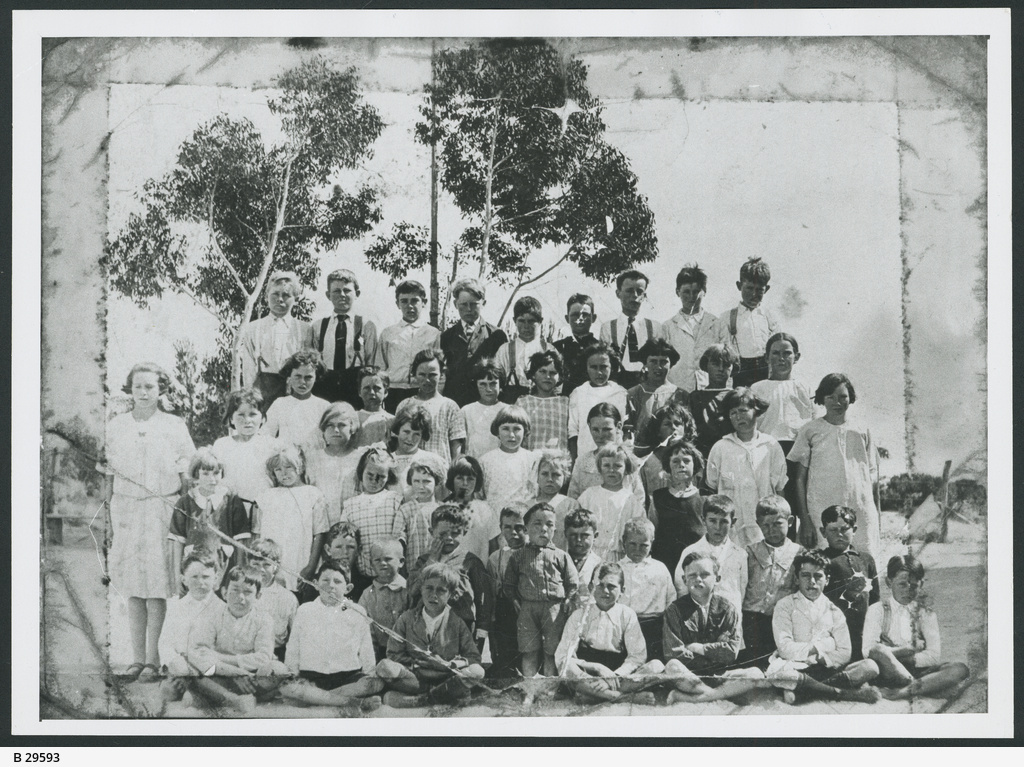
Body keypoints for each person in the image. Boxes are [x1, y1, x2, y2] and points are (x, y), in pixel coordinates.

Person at [102, 362, 195, 680]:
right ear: (130, 388)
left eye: (150, 386)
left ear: (161, 390)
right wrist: (108, 519)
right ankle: (136, 659)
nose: (143, 392)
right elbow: (108, 475)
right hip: (127, 511)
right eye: (138, 386)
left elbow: (187, 476)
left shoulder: (174, 425)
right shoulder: (117, 425)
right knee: (133, 588)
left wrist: (185, 518)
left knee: (156, 587)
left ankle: (153, 661)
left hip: (162, 510)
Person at [767, 551, 881, 704]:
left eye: (818, 576)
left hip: (826, 668)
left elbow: (845, 652)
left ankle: (804, 691)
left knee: (870, 667)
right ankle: (840, 693)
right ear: (796, 579)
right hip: (794, 667)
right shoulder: (785, 605)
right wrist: (825, 645)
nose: (812, 581)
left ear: (827, 580)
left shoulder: (834, 610)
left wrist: (821, 658)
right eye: (805, 575)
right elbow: (785, 649)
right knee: (779, 674)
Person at [789, 373, 881, 560]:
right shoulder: (811, 430)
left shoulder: (862, 430)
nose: (837, 402)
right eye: (830, 397)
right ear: (822, 398)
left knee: (862, 559)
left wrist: (876, 516)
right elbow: (799, 478)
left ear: (850, 397)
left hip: (860, 509)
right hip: (821, 509)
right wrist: (805, 519)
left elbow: (872, 475)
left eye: (842, 397)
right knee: (821, 561)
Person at [375, 562, 485, 708]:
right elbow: (393, 654)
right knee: (384, 666)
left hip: (446, 679)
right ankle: (436, 697)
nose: (433, 595)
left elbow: (473, 657)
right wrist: (416, 663)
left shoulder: (457, 622)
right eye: (429, 588)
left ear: (451, 594)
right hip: (415, 679)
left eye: (441, 590)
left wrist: (450, 664)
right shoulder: (406, 619)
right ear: (421, 589)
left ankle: (423, 700)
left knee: (477, 671)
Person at [184, 566, 290, 714]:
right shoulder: (211, 615)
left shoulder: (264, 619)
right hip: (219, 672)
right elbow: (200, 652)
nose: (240, 597)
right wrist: (234, 672)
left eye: (248, 592)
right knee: (192, 670)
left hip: (250, 676)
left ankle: (217, 696)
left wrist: (230, 663)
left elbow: (263, 657)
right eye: (235, 590)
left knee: (278, 670)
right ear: (224, 592)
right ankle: (234, 699)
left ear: (258, 595)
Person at [280, 559, 383, 710]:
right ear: (316, 584)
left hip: (347, 678)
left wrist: (369, 673)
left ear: (348, 588)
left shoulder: (357, 611)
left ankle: (316, 699)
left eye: (337, 581)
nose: (331, 585)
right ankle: (351, 702)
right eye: (325, 580)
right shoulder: (305, 610)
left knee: (374, 683)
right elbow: (293, 648)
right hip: (313, 677)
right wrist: (293, 675)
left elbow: (366, 649)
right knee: (287, 687)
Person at [555, 562, 664, 704]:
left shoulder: (627, 615)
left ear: (622, 590)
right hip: (588, 675)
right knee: (566, 667)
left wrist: (613, 677)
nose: (605, 591)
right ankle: (620, 697)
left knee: (656, 665)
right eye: (599, 585)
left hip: (618, 676)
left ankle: (595, 695)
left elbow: (637, 656)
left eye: (611, 586)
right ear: (590, 587)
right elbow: (564, 655)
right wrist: (596, 667)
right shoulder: (579, 615)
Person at [662, 553, 765, 704]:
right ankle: (723, 694)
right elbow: (674, 653)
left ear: (717, 578)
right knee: (672, 666)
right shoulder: (674, 610)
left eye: (704, 574)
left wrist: (699, 648)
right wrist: (714, 653)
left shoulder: (728, 608)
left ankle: (697, 696)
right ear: (684, 580)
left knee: (756, 674)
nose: (698, 579)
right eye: (692, 575)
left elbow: (731, 652)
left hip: (720, 673)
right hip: (689, 674)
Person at [863, 555, 970, 699]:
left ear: (921, 584)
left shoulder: (926, 614)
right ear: (889, 582)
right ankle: (924, 687)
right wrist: (904, 651)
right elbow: (868, 651)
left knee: (960, 669)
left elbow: (933, 656)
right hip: (887, 670)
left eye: (913, 586)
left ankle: (903, 691)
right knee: (878, 650)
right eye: (902, 584)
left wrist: (907, 658)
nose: (907, 591)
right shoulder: (877, 610)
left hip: (917, 670)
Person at [502, 502, 580, 679]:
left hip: (554, 610)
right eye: (537, 524)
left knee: (551, 651)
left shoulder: (561, 556)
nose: (544, 529)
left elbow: (572, 582)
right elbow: (509, 583)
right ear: (526, 528)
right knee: (529, 650)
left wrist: (568, 599)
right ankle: (530, 686)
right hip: (527, 610)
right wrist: (514, 600)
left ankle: (550, 686)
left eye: (549, 524)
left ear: (555, 529)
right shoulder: (518, 556)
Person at [750, 333, 816, 541]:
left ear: (796, 357)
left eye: (787, 353)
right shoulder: (757, 388)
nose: (781, 358)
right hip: (766, 453)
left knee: (794, 509)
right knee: (770, 506)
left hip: (796, 454)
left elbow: (812, 423)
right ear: (766, 357)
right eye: (775, 353)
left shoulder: (804, 388)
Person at [705, 387, 788, 547]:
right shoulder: (721, 447)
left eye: (743, 410)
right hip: (732, 527)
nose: (738, 417)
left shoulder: (770, 446)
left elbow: (780, 489)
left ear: (756, 411)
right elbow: (712, 487)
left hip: (764, 525)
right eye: (733, 413)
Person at [168, 448, 252, 593]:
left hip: (224, 566)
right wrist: (177, 576)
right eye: (205, 474)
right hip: (193, 567)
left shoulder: (231, 500)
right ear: (196, 474)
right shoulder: (185, 502)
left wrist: (238, 573)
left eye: (216, 473)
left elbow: (241, 541)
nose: (212, 479)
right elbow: (177, 542)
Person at [408, 505, 491, 646]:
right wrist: (432, 560)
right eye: (442, 534)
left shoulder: (470, 562)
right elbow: (412, 590)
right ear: (431, 532)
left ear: (464, 531)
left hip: (460, 628)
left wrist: (482, 629)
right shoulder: (423, 561)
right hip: (427, 628)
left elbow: (483, 598)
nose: (449, 538)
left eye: (455, 533)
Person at [253, 445, 329, 597]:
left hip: (300, 562)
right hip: (271, 565)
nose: (284, 473)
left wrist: (311, 566)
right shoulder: (266, 496)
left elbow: (320, 534)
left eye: (288, 467)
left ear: (299, 467)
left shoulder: (312, 494)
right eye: (278, 469)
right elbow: (257, 533)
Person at [741, 496, 803, 667]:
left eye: (777, 524)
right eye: (765, 525)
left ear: (790, 522)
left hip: (782, 619)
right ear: (758, 524)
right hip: (752, 619)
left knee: (778, 662)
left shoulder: (799, 553)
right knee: (752, 662)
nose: (771, 530)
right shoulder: (750, 552)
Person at [239, 271, 315, 407]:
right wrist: (250, 399)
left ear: (295, 299)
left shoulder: (304, 329)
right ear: (266, 296)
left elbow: (308, 368)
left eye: (286, 295)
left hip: (294, 392)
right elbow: (248, 370)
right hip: (263, 393)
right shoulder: (253, 328)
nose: (280, 299)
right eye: (275, 294)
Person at [340, 447, 406, 599]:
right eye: (369, 475)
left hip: (392, 575)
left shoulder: (395, 499)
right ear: (361, 472)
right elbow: (347, 542)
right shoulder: (350, 505)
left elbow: (401, 535)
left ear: (388, 477)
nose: (374, 481)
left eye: (381, 477)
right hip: (363, 576)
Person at [158, 550, 221, 702]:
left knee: (211, 679)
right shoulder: (176, 607)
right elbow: (165, 643)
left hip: (209, 666)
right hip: (182, 666)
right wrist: (174, 662)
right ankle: (196, 691)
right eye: (194, 577)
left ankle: (198, 692)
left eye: (206, 577)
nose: (200, 582)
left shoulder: (221, 608)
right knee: (168, 692)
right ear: (184, 579)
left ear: (216, 578)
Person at [819, 505, 879, 661]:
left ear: (854, 530)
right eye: (833, 530)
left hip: (863, 631)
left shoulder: (866, 559)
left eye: (844, 529)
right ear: (823, 532)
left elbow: (875, 600)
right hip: (836, 633)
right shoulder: (821, 561)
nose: (839, 534)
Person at [673, 495, 748, 619]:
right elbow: (681, 588)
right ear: (703, 520)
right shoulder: (691, 551)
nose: (718, 527)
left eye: (724, 521)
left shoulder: (740, 554)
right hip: (698, 618)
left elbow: (742, 589)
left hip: (730, 618)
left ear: (733, 522)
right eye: (712, 521)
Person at [311, 269, 379, 406]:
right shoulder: (318, 326)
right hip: (326, 386)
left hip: (355, 385)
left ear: (357, 294)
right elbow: (314, 360)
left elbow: (371, 361)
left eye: (347, 290)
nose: (342, 295)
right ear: (328, 295)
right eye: (336, 291)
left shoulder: (366, 325)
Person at [211, 388, 278, 522]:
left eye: (253, 414)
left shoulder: (272, 445)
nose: (247, 420)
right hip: (230, 512)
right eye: (241, 415)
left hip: (264, 511)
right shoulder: (222, 445)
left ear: (262, 418)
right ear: (231, 418)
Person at [712, 257, 780, 388]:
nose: (754, 294)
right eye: (749, 288)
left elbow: (777, 347)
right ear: (739, 286)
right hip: (740, 375)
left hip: (766, 373)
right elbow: (723, 353)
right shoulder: (727, 317)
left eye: (759, 289)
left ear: (766, 289)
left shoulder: (770, 317)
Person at [439, 277, 508, 407]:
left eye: (474, 304)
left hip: (485, 402)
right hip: (454, 401)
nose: (469, 309)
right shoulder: (446, 337)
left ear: (483, 303)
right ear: (455, 304)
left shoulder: (496, 335)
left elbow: (502, 374)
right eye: (464, 304)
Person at [378, 279, 441, 413]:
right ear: (397, 304)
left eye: (414, 301)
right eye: (404, 301)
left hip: (423, 390)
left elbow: (439, 368)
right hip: (394, 392)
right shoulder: (388, 333)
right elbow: (380, 367)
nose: (409, 306)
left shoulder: (433, 333)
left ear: (423, 302)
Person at [395, 349, 467, 465]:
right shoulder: (405, 405)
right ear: (414, 374)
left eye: (432, 375)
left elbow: (456, 449)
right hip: (409, 470)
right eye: (422, 374)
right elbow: (396, 443)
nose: (427, 380)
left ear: (441, 374)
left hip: (439, 469)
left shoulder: (450, 407)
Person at [577, 443, 647, 562]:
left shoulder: (631, 500)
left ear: (626, 469)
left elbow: (639, 531)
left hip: (620, 557)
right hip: (590, 555)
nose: (611, 470)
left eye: (617, 466)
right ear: (600, 468)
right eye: (606, 465)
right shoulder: (589, 495)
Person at [567, 403, 645, 507]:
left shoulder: (628, 459)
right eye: (595, 429)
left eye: (606, 429)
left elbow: (639, 500)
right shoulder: (582, 462)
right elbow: (572, 500)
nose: (600, 435)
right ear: (589, 427)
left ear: (618, 427)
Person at [617, 518, 674, 662]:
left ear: (651, 543)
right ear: (624, 542)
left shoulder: (659, 568)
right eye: (632, 544)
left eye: (644, 545)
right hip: (624, 626)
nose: (637, 549)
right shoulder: (617, 568)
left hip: (653, 627)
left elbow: (671, 599)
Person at [648, 438, 706, 575]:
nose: (681, 465)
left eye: (686, 461)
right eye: (675, 461)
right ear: (668, 466)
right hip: (665, 564)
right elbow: (651, 532)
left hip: (696, 566)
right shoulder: (658, 498)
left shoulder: (704, 498)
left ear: (695, 465)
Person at [303, 402, 366, 526]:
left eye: (342, 425)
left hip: (354, 524)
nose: (336, 430)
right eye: (330, 425)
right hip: (320, 525)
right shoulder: (312, 458)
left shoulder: (361, 458)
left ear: (352, 428)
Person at [598, 269, 664, 390]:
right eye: (629, 291)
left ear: (644, 296)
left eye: (639, 291)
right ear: (618, 293)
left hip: (647, 387)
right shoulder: (607, 328)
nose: (635, 296)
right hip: (617, 387)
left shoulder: (655, 327)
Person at [661, 264, 718, 397]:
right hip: (677, 390)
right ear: (678, 292)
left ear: (704, 291)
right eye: (686, 292)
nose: (692, 296)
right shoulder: (668, 326)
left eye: (696, 291)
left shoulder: (716, 323)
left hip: (709, 390)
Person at [486, 504, 528, 679]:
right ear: (501, 528)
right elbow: (492, 594)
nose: (514, 533)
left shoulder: (535, 553)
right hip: (505, 615)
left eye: (519, 527)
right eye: (508, 527)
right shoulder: (496, 558)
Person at [567, 341, 628, 460]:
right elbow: (573, 431)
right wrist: (575, 461)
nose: (599, 372)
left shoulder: (621, 393)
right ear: (586, 368)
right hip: (586, 456)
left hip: (613, 458)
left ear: (611, 367)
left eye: (604, 367)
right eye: (594, 367)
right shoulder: (578, 393)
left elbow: (625, 429)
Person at [262, 349, 330, 450]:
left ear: (316, 377)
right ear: (290, 376)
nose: (302, 382)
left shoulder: (324, 406)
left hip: (315, 456)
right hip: (287, 456)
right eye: (298, 376)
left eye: (308, 377)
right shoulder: (280, 404)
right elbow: (266, 434)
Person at [478, 405, 538, 513]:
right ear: (497, 431)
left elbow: (535, 493)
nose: (511, 435)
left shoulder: (532, 459)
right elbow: (479, 495)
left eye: (516, 429)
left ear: (525, 431)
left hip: (523, 517)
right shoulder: (485, 461)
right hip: (493, 517)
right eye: (505, 429)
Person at [358, 538, 409, 663]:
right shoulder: (367, 595)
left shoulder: (408, 590)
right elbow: (364, 628)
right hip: (379, 653)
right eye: (377, 560)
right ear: (371, 564)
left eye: (388, 559)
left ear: (401, 562)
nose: (383, 563)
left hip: (407, 653)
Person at [443, 456, 500, 563]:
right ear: (452, 479)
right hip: (450, 568)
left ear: (477, 481)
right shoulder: (443, 509)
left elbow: (493, 546)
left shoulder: (486, 510)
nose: (465, 483)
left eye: (470, 479)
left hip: (480, 568)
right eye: (460, 478)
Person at [250, 539, 298, 662]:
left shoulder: (288, 598)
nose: (261, 569)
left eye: (266, 564)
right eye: (255, 564)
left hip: (277, 656)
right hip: (247, 654)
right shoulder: (243, 593)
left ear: (276, 566)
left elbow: (295, 638)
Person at [494, 296, 551, 402]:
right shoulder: (504, 350)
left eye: (531, 321)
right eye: (521, 321)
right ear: (514, 321)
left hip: (541, 401)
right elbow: (495, 380)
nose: (526, 326)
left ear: (540, 321)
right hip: (512, 402)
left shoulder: (549, 349)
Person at [636, 403, 697, 499]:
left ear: (685, 429)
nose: (673, 427)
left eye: (677, 423)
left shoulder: (694, 459)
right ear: (658, 431)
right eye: (667, 424)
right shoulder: (648, 462)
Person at [624, 338, 680, 440]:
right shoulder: (633, 394)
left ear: (671, 364)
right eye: (653, 361)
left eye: (663, 362)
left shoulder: (680, 394)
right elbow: (628, 429)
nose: (658, 367)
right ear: (645, 363)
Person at [387, 405, 447, 499]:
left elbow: (442, 497)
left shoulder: (433, 461)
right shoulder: (386, 461)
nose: (410, 439)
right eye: (406, 432)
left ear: (422, 436)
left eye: (416, 434)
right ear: (397, 431)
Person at [689, 343, 738, 459]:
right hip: (702, 453)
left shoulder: (736, 396)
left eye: (726, 365)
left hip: (731, 453)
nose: (721, 369)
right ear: (706, 365)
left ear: (733, 367)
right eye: (715, 364)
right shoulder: (695, 397)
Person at [518, 349, 570, 451]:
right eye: (542, 371)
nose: (547, 376)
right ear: (533, 374)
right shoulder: (523, 402)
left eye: (553, 373)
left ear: (559, 377)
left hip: (559, 458)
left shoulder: (565, 403)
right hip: (530, 457)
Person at [531, 450, 579, 550]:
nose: (550, 479)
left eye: (556, 474)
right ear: (537, 476)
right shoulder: (529, 505)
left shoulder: (571, 505)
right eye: (544, 474)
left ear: (565, 477)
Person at [553, 293, 598, 398]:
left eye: (585, 315)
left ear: (594, 318)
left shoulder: (601, 348)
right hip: (565, 400)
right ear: (567, 318)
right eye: (575, 315)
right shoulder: (557, 348)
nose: (580, 318)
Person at [399, 461, 444, 565]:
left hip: (439, 565)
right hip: (413, 564)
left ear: (436, 482)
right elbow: (399, 540)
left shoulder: (442, 508)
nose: (421, 486)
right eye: (416, 481)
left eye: (426, 481)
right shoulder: (405, 510)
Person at [460, 359, 505, 458]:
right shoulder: (467, 411)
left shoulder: (507, 410)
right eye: (483, 384)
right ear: (476, 385)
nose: (488, 389)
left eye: (493, 383)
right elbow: (461, 446)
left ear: (500, 384)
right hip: (474, 462)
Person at [563, 508, 604, 601]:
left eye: (584, 535)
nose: (578, 540)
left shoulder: (600, 565)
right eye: (573, 535)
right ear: (566, 534)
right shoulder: (558, 560)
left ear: (595, 536)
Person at [352, 366, 394, 449]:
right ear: (359, 392)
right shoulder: (353, 418)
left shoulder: (392, 420)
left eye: (376, 388)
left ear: (385, 392)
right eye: (367, 388)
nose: (371, 392)